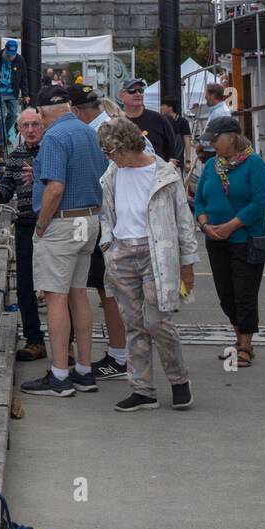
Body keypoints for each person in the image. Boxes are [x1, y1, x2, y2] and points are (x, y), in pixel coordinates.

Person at [97, 118, 198, 412]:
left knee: (158, 321)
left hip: (157, 254)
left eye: (111, 152)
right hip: (122, 252)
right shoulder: (113, 172)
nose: (110, 157)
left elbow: (183, 220)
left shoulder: (165, 173)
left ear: (127, 147)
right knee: (134, 324)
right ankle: (142, 389)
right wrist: (109, 246)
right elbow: (107, 214)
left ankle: (179, 381)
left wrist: (188, 263)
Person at [20, 84, 108, 398]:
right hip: (90, 219)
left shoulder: (55, 137)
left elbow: (55, 188)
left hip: (62, 222)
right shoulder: (89, 132)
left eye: (39, 117)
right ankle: (84, 370)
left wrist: (41, 225)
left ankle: (59, 375)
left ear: (44, 111)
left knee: (56, 298)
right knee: (78, 294)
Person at [195, 115, 265, 368]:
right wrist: (204, 223)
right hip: (215, 238)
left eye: (215, 140)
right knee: (225, 294)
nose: (211, 145)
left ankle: (245, 344)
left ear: (231, 137)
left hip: (245, 239)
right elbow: (200, 200)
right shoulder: (211, 166)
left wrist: (232, 225)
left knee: (244, 293)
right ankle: (238, 337)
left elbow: (261, 201)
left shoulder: (253, 164)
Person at [69, 84, 129, 380]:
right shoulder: (115, 127)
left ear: (76, 111)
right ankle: (121, 353)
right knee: (113, 292)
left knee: (110, 292)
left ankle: (119, 356)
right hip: (121, 223)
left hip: (110, 225)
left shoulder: (94, 135)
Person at [0, 108, 47, 361]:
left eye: (35, 125)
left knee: (58, 287)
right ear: (18, 129)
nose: (30, 130)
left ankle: (68, 345)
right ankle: (34, 340)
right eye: (25, 126)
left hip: (51, 224)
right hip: (26, 223)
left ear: (43, 126)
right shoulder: (16, 155)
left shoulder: (51, 151)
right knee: (25, 285)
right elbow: (8, 186)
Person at [118, 78, 178, 161]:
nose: (138, 94)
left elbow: (171, 148)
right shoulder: (118, 123)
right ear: (122, 96)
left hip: (156, 171)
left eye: (140, 90)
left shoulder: (158, 119)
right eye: (132, 91)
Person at [161, 96, 193, 172]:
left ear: (170, 107)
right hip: (163, 161)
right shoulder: (160, 121)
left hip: (178, 162)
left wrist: (188, 161)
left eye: (163, 105)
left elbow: (187, 142)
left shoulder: (183, 122)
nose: (161, 107)